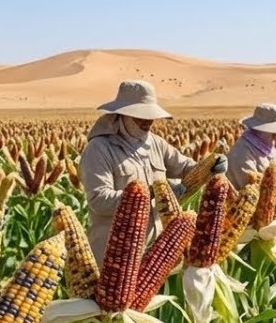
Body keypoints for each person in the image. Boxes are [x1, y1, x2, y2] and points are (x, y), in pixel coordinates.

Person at [80, 80, 228, 265]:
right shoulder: (99, 149)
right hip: (114, 256)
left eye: (150, 116)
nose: (148, 121)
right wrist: (150, 193)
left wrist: (210, 167)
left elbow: (184, 167)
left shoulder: (156, 143)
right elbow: (99, 201)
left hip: (154, 253)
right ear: (124, 114)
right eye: (141, 116)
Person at [227, 103, 276, 191]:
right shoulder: (241, 152)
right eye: (274, 133)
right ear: (261, 130)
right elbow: (250, 188)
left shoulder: (271, 149)